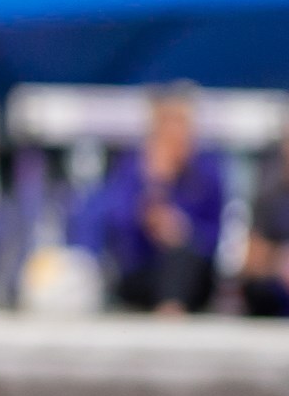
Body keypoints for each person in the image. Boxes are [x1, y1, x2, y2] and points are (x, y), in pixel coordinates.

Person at [70, 87, 225, 315]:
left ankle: (171, 308)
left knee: (181, 255)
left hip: (194, 277)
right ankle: (169, 307)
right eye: (168, 123)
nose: (175, 133)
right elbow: (117, 231)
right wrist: (155, 186)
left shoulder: (207, 173)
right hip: (143, 272)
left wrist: (185, 232)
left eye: (181, 123)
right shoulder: (132, 169)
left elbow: (216, 239)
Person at [239, 121, 289, 316]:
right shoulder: (269, 198)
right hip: (278, 290)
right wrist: (280, 260)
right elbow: (251, 263)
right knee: (258, 289)